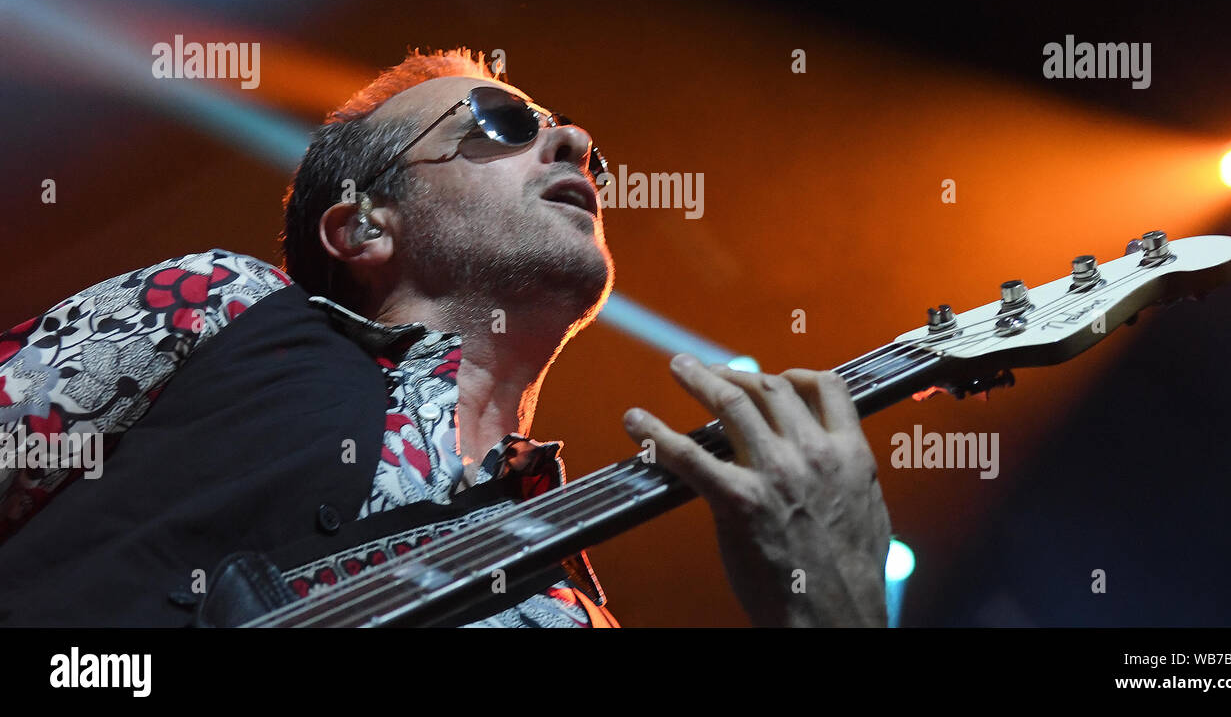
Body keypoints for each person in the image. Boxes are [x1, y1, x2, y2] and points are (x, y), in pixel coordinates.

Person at [0, 48, 891, 627]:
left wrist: (834, 608)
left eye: (580, 145)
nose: (576, 142)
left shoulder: (567, 613)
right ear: (363, 230)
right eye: (502, 123)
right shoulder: (224, 307)